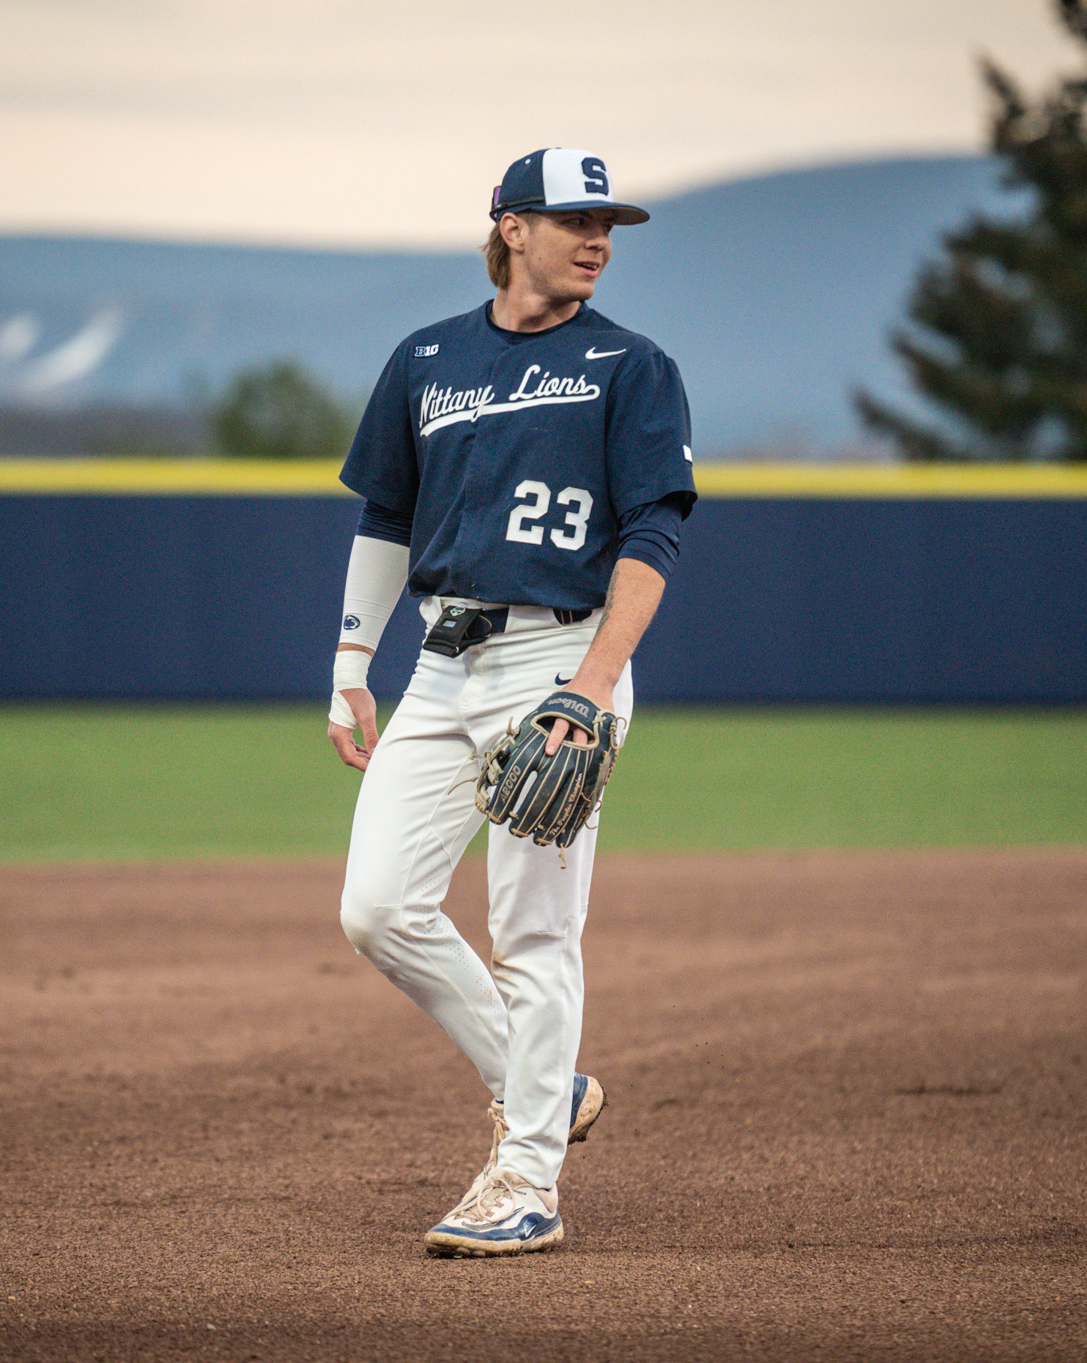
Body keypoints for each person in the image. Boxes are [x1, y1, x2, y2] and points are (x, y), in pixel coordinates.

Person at [325, 148, 696, 1256]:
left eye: (608, 222)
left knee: (534, 926)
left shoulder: (630, 365)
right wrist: (351, 660)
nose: (596, 238)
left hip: (562, 660)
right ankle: (541, 1080)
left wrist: (590, 691)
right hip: (439, 664)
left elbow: (655, 534)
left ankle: (525, 1179)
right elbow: (386, 516)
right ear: (509, 228)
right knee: (377, 908)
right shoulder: (427, 357)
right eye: (573, 218)